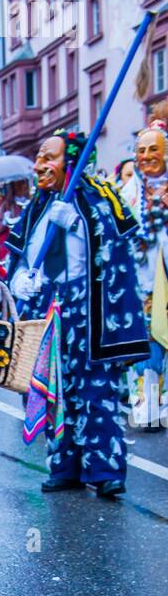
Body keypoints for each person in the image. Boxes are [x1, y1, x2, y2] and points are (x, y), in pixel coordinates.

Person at [7, 130, 148, 497]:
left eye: (48, 158)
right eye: (38, 157)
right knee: (55, 391)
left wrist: (80, 224)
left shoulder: (100, 199)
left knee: (96, 392)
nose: (39, 166)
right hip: (50, 310)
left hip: (90, 311)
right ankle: (64, 465)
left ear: (71, 162)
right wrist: (20, 279)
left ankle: (104, 470)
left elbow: (116, 252)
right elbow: (19, 257)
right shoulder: (35, 209)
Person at [120, 119, 168, 430]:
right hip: (143, 283)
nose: (147, 155)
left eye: (154, 149)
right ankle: (148, 404)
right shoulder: (127, 192)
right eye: (141, 150)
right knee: (146, 344)